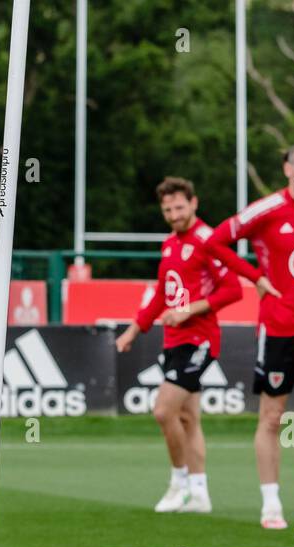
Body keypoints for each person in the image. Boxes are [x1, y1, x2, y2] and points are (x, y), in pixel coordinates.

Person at [203, 142, 294, 531]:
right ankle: (271, 503)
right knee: (272, 417)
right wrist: (255, 278)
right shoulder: (267, 210)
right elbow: (215, 241)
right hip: (280, 329)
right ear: (286, 168)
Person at [116, 177, 241, 513]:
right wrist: (133, 330)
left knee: (163, 410)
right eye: (167, 209)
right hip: (174, 340)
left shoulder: (208, 240)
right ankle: (199, 494)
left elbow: (233, 290)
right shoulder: (170, 244)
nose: (173, 214)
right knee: (188, 418)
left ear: (194, 203)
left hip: (199, 339)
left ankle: (178, 482)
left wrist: (189, 309)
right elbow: (161, 293)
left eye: (179, 207)